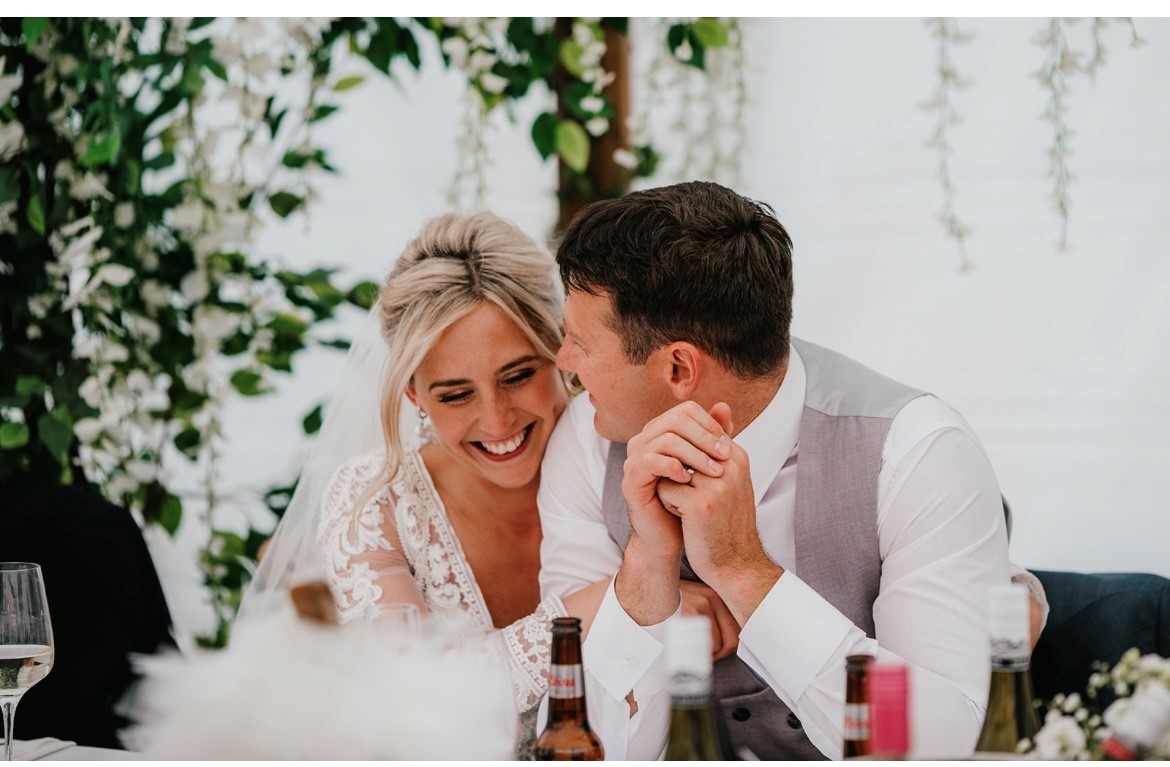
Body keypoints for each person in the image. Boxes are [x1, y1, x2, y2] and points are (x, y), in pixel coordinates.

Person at [537, 181, 1021, 759]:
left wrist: (745, 573)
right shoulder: (587, 443)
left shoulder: (917, 451)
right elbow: (584, 749)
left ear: (678, 368)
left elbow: (938, 746)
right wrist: (646, 563)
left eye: (580, 344)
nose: (562, 363)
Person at [239, 211, 609, 757]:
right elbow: (405, 702)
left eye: (519, 375)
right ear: (414, 396)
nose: (498, 420)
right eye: (456, 395)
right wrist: (602, 608)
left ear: (562, 352)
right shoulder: (375, 500)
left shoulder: (617, 459)